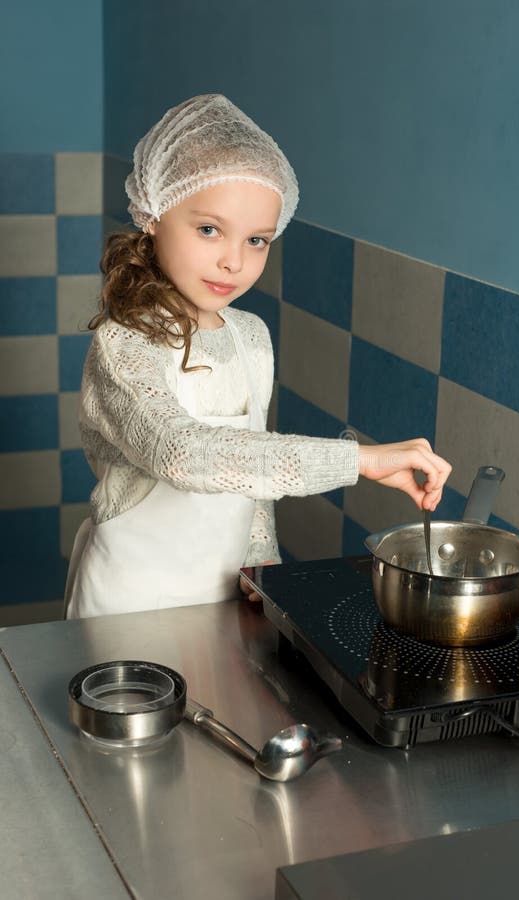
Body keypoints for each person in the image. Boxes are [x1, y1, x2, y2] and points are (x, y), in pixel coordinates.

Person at [64, 94, 451, 619]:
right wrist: (358, 460)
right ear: (153, 215)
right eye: (209, 229)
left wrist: (261, 557)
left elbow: (252, 467)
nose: (234, 261)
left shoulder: (250, 336)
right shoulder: (125, 343)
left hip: (223, 599)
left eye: (257, 240)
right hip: (128, 607)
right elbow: (181, 453)